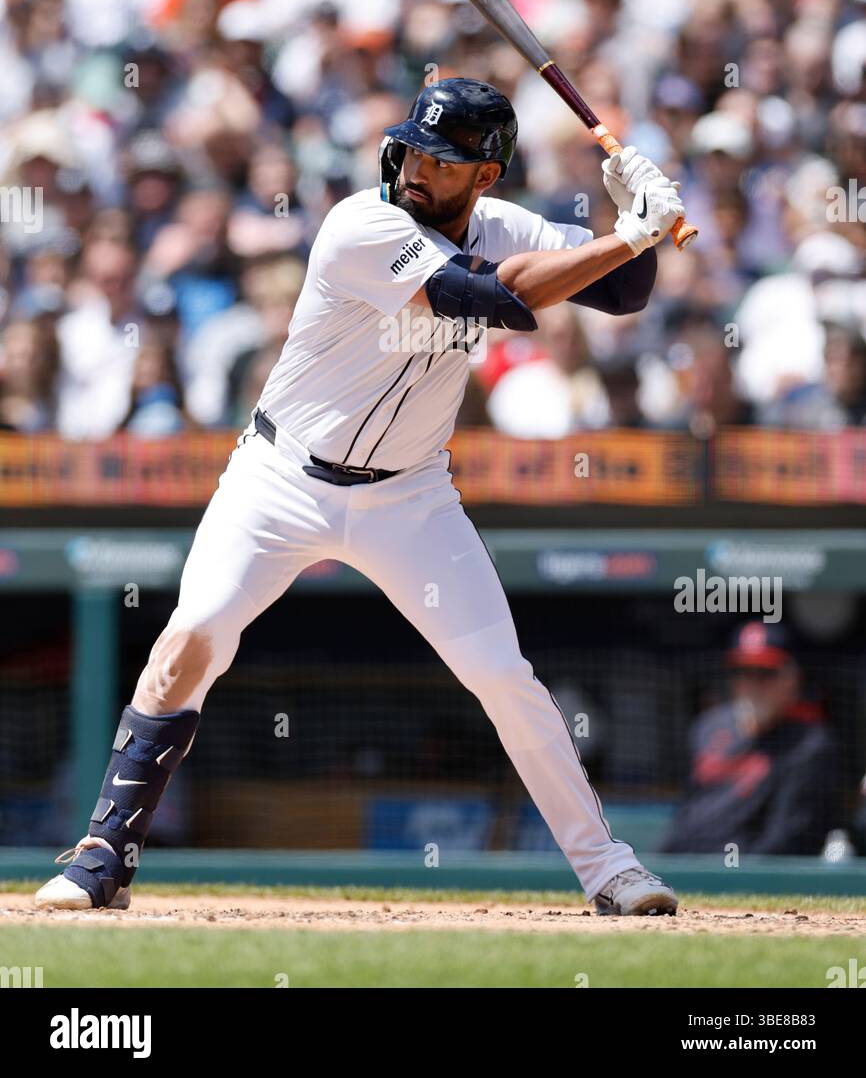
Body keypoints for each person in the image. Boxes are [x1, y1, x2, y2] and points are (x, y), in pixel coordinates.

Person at [36, 78, 684, 917]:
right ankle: (102, 858)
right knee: (193, 635)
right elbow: (484, 298)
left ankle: (610, 871)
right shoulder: (358, 223)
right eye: (414, 145)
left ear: (485, 177)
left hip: (411, 497)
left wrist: (640, 234)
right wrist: (627, 235)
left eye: (443, 158)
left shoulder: (509, 225)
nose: (417, 164)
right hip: (279, 478)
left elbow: (624, 295)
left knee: (501, 675)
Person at [661, 621, 842, 856]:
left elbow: (787, 840)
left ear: (792, 678)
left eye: (766, 673)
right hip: (681, 860)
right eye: (742, 671)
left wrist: (733, 875)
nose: (752, 684)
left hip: (736, 871)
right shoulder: (709, 726)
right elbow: (686, 814)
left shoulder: (810, 746)